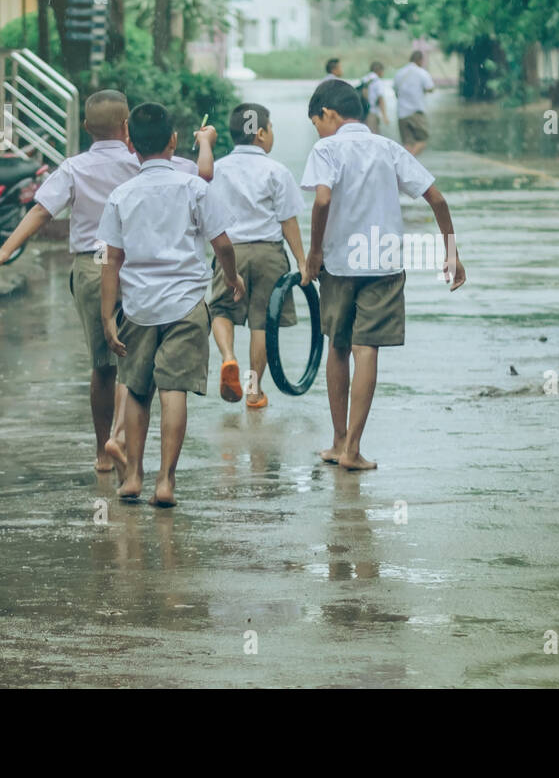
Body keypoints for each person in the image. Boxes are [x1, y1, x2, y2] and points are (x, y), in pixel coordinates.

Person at [0, 90, 215, 473]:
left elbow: (42, 212)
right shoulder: (156, 160)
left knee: (104, 362)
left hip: (95, 267)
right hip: (143, 267)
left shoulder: (74, 167)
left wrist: (5, 251)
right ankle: (127, 442)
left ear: (87, 127)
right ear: (127, 127)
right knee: (137, 359)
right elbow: (204, 175)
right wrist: (204, 142)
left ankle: (103, 451)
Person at [300, 79, 465, 471]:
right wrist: (452, 253)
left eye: (316, 122)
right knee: (366, 348)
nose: (318, 130)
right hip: (384, 263)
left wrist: (315, 252)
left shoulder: (326, 148)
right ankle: (353, 449)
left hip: (339, 264)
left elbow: (322, 199)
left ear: (329, 114)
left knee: (337, 347)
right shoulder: (388, 148)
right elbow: (437, 198)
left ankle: (338, 441)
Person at [98, 103, 242, 506]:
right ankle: (166, 482)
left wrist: (108, 315)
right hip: (185, 304)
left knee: (138, 391)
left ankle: (133, 478)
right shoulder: (194, 187)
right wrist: (231, 278)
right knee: (173, 389)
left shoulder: (121, 195)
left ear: (130, 145)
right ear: (174, 142)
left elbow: (112, 260)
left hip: (139, 306)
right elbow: (223, 243)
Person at [207, 103, 307, 409]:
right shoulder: (276, 170)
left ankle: (228, 357)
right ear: (261, 133)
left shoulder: (217, 169)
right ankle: (253, 390)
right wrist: (303, 262)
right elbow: (288, 220)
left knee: (222, 309)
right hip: (268, 253)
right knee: (261, 322)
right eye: (272, 127)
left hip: (229, 251)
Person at [393, 50, 435, 156]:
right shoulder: (421, 72)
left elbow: (395, 90)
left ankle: (403, 166)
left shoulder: (399, 73)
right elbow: (430, 88)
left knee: (407, 143)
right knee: (422, 141)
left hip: (401, 113)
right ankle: (409, 163)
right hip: (416, 111)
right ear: (420, 60)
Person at [361, 61, 388, 133]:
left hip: (362, 113)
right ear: (379, 71)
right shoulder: (378, 81)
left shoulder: (364, 79)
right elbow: (381, 99)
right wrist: (384, 116)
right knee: (373, 135)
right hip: (372, 112)